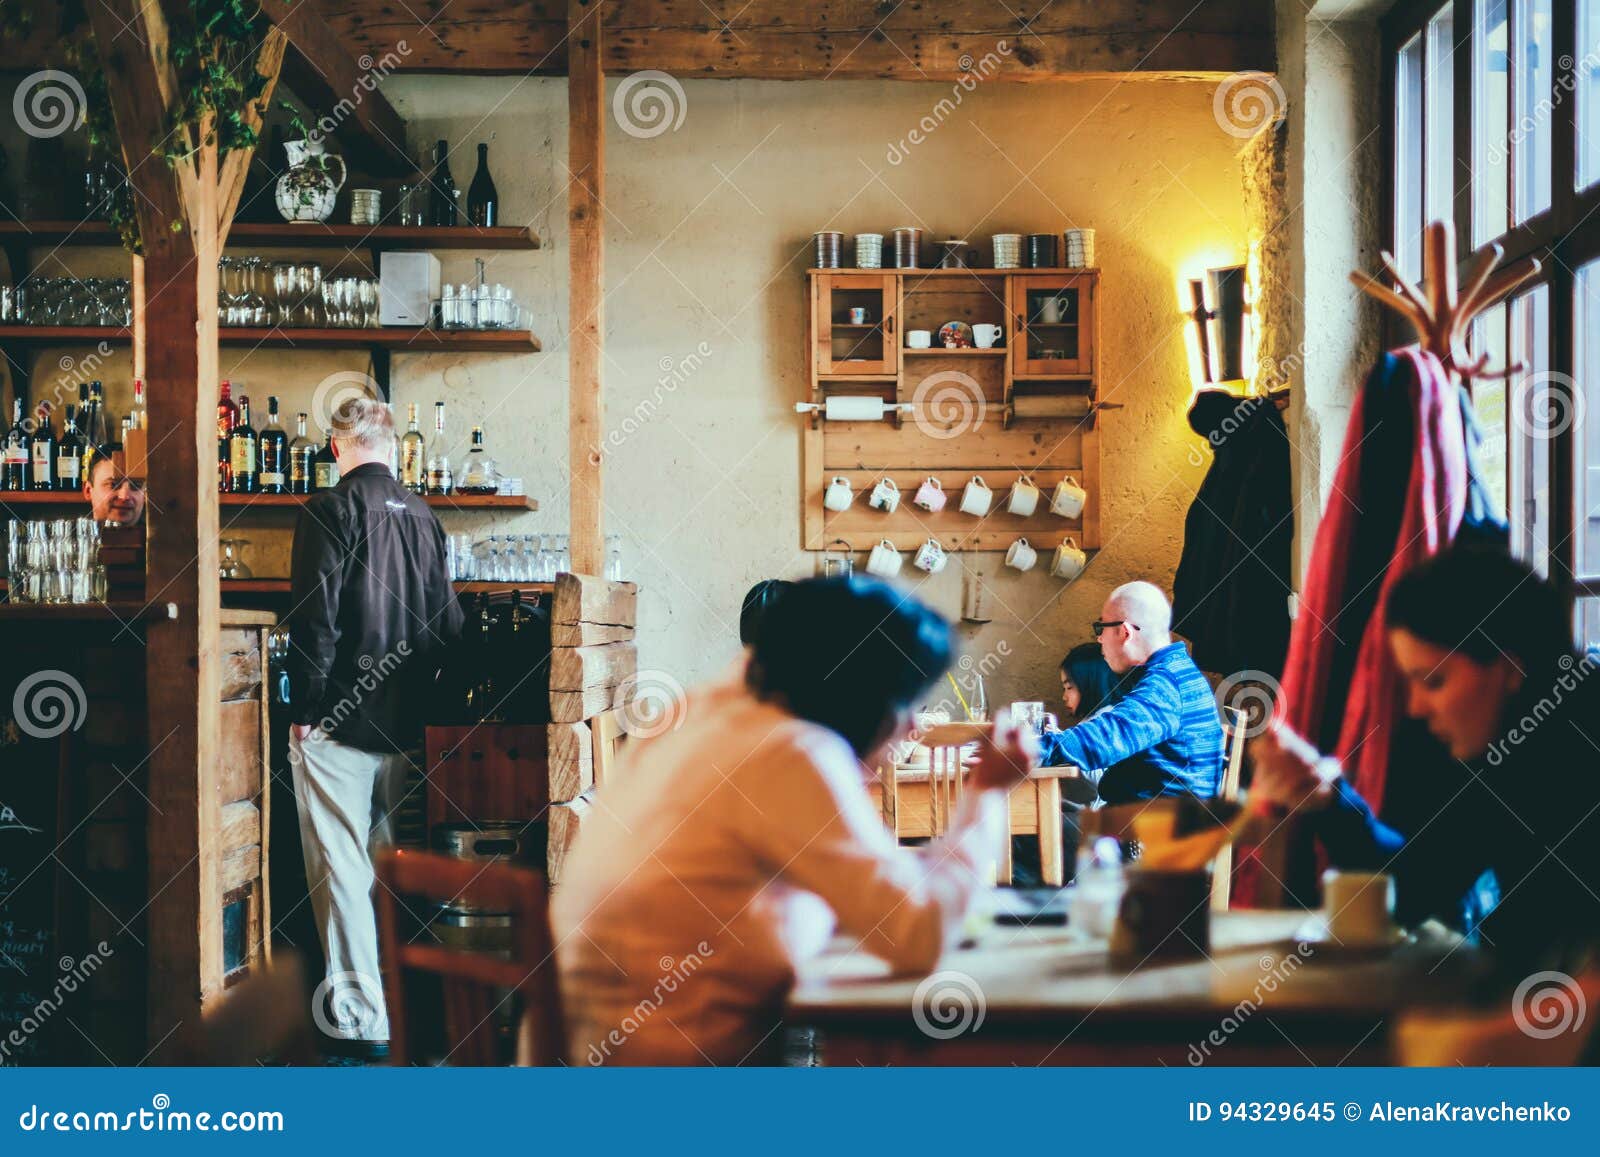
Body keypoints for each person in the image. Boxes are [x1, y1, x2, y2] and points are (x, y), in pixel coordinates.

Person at [552, 576, 1037, 1066]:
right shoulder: (791, 750)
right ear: (860, 694)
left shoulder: (702, 710)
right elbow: (918, 936)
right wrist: (989, 791)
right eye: (909, 703)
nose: (913, 725)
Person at [1252, 547, 1600, 966]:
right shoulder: (1501, 756)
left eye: (1433, 681)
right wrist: (1327, 796)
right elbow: (1417, 888)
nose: (1415, 707)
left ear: (1509, 669)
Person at [285, 397, 462, 1058]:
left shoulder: (328, 510)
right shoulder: (423, 516)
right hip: (407, 725)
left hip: (338, 722)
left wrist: (303, 708)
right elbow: (448, 627)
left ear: (337, 447)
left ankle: (362, 1022)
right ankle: (411, 1012)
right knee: (391, 872)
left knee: (343, 868)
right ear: (392, 447)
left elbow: (316, 621)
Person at [1037, 581, 1224, 803]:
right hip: (1155, 821)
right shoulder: (1176, 671)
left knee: (1025, 828)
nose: (1099, 639)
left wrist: (1018, 752)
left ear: (1124, 633)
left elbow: (1106, 738)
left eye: (1101, 628)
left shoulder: (1166, 685)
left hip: (1157, 831)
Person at [83, 452, 146, 526]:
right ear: (88, 491)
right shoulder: (69, 536)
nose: (124, 496)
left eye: (136, 485)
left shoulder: (159, 537)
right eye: (113, 485)